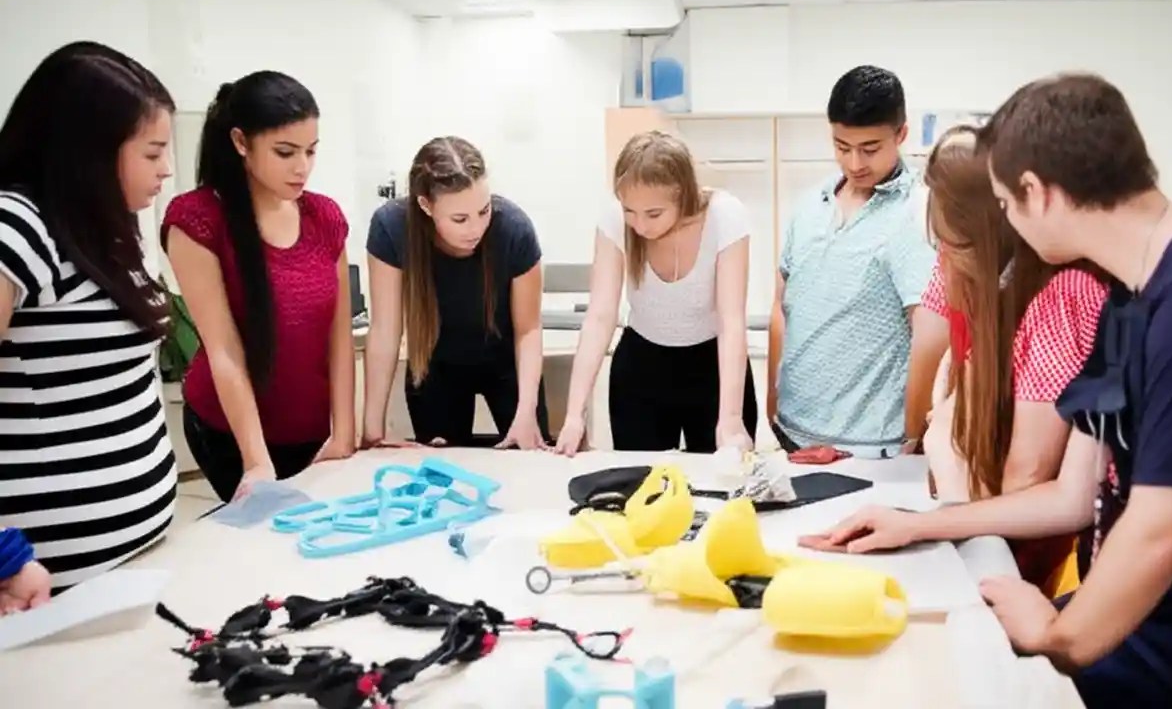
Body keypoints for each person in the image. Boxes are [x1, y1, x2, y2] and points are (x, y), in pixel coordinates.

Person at [801, 73, 1172, 707]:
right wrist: (920, 524)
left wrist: (1060, 634)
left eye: (1004, 203)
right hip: (1128, 624)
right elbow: (1077, 497)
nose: (1004, 223)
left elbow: (1165, 531)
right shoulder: (1130, 294)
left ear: (1037, 192)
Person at [0, 41, 178, 598]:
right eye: (152, 154)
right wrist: (4, 558)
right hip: (41, 587)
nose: (166, 170)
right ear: (90, 151)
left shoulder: (103, 232)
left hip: (124, 566)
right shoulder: (17, 226)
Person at [911, 126, 1107, 593]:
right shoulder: (1009, 301)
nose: (945, 264)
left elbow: (1032, 474)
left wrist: (951, 527)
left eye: (952, 248)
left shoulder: (1066, 296)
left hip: (1027, 558)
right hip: (1008, 545)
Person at [164, 71, 355, 503]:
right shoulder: (197, 220)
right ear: (240, 142)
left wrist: (344, 433)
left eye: (311, 151)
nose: (302, 166)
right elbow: (223, 350)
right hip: (231, 433)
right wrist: (255, 460)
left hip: (311, 429)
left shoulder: (324, 217)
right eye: (285, 152)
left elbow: (339, 338)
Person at [769, 65, 937, 458]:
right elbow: (781, 305)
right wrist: (772, 404)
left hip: (869, 446)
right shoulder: (811, 204)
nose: (855, 162)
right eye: (842, 147)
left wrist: (915, 436)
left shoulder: (918, 213)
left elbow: (931, 336)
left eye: (871, 148)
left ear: (901, 134)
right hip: (792, 431)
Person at [555, 130, 755, 456]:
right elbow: (600, 316)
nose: (640, 226)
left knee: (721, 484)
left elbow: (731, 321)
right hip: (642, 368)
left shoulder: (725, 215)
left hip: (713, 368)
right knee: (640, 490)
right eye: (630, 211)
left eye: (653, 214)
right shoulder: (614, 219)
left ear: (683, 195)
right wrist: (574, 414)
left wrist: (731, 418)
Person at [362, 137, 548, 450]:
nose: (476, 228)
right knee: (440, 475)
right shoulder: (391, 228)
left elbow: (528, 329)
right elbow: (385, 330)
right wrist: (371, 431)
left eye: (484, 210)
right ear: (425, 205)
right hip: (435, 365)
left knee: (527, 461)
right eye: (460, 219)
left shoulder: (514, 229)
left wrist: (526, 411)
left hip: (506, 364)